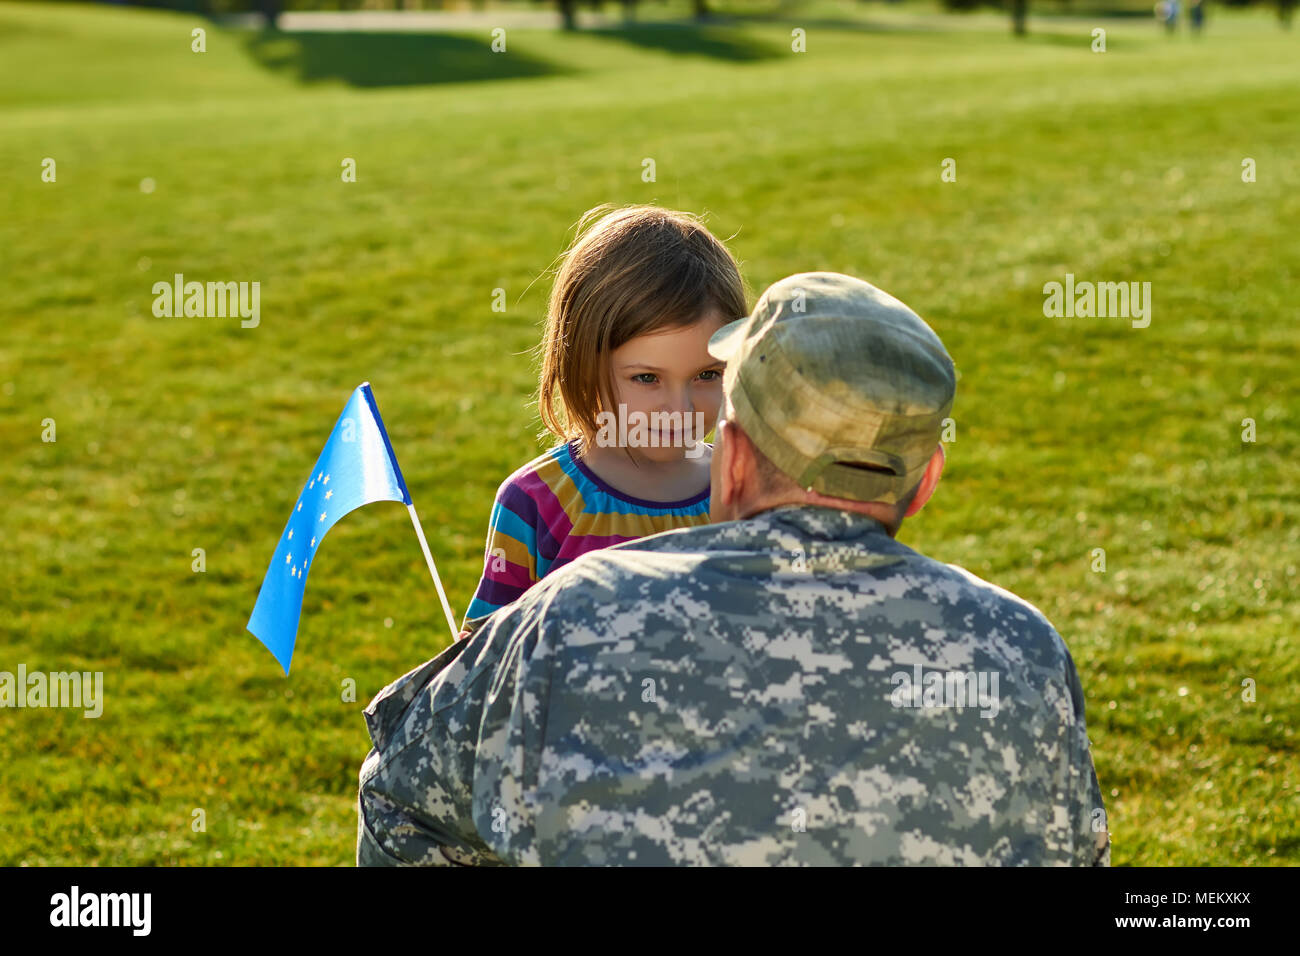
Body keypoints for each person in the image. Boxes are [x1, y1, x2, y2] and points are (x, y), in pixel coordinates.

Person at [357, 271, 1109, 866]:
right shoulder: (1023, 652)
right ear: (929, 475)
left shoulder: (570, 618)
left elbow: (399, 797)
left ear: (736, 452)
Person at [458, 204, 746, 634]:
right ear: (583, 364)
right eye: (647, 378)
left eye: (707, 375)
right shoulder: (538, 503)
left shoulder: (743, 488)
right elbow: (486, 659)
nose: (680, 410)